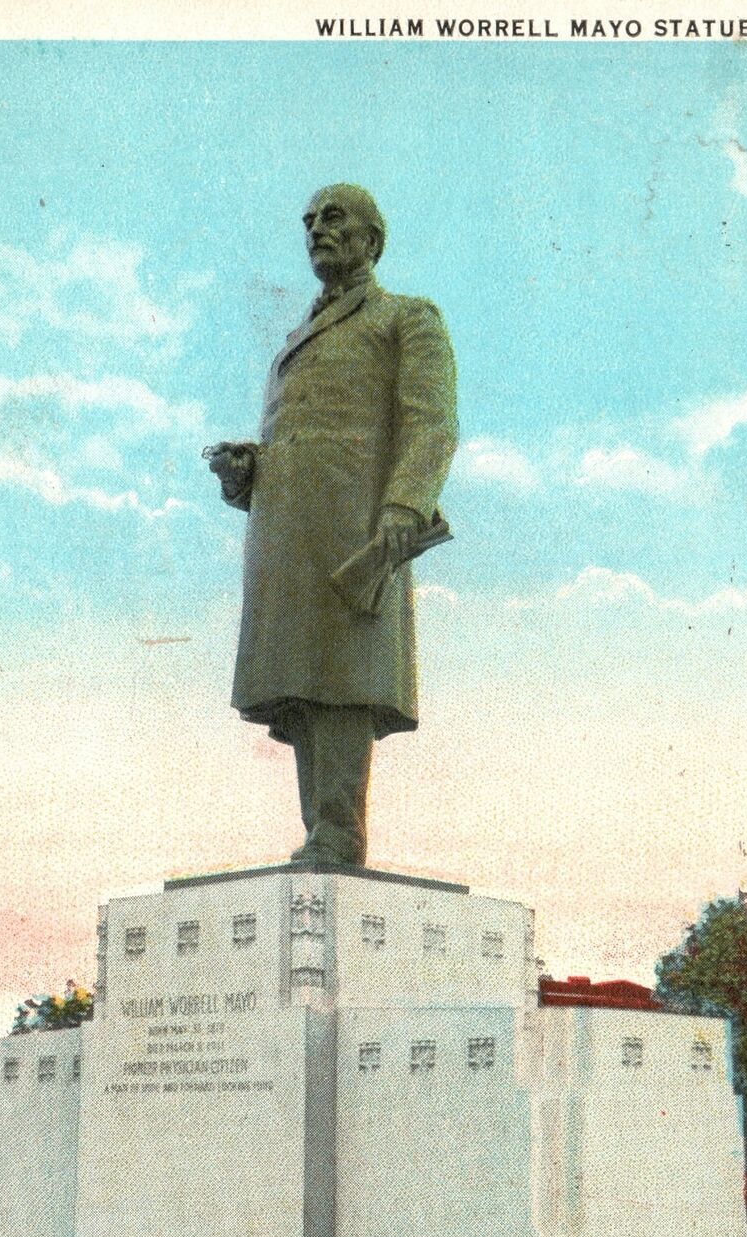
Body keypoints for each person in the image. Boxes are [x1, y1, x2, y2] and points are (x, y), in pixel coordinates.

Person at [206, 184, 458, 868]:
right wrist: (245, 471)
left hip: (356, 528)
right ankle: (322, 828)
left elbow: (431, 422)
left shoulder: (407, 318)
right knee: (300, 679)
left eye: (333, 217)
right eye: (309, 219)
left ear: (372, 240)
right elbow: (299, 438)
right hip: (287, 533)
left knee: (343, 676)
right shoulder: (294, 340)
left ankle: (339, 831)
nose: (316, 228)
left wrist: (406, 508)